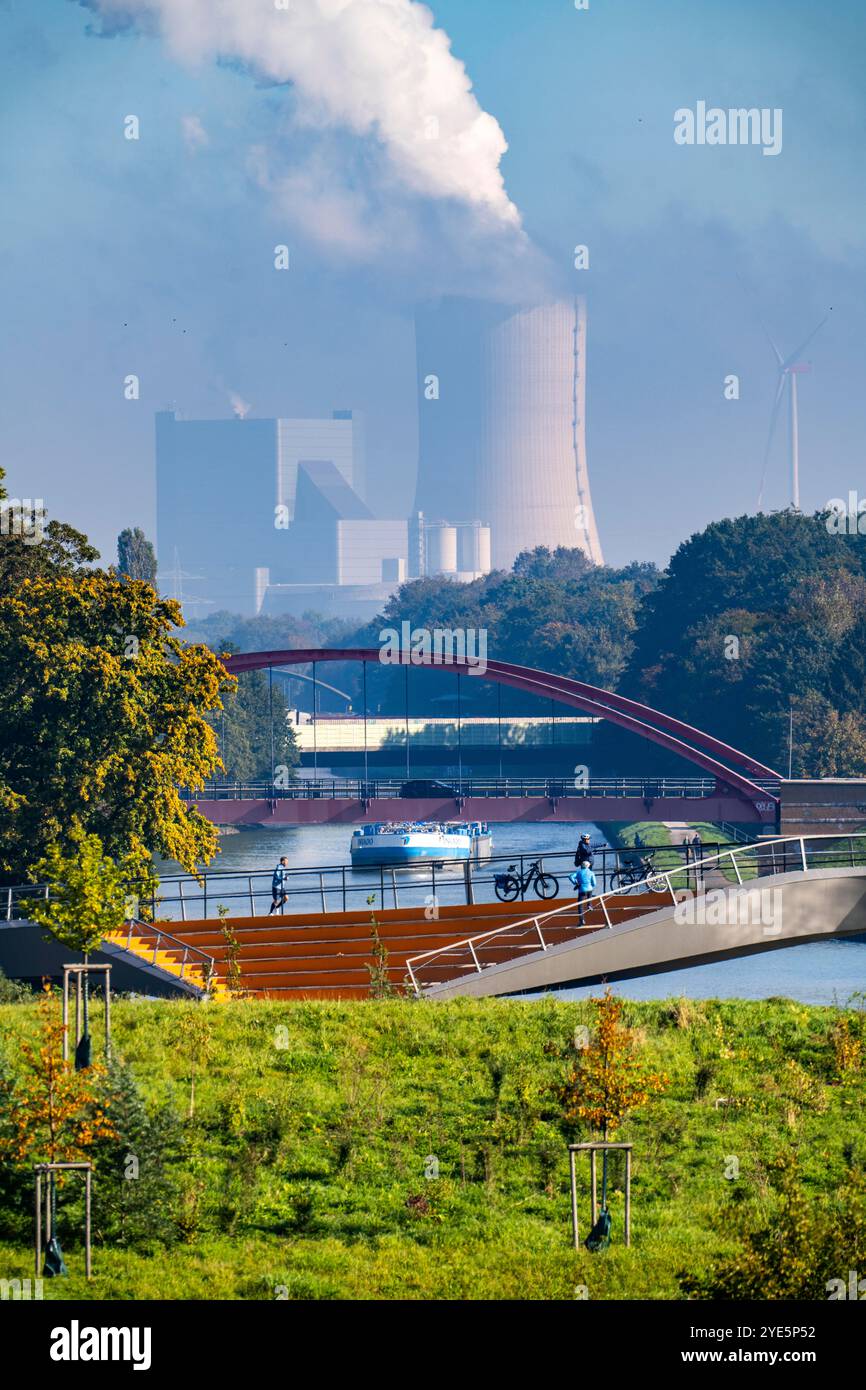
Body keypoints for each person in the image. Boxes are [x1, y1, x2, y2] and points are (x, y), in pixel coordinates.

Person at [573, 861, 597, 926]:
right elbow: (594, 883)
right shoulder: (591, 873)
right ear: (588, 866)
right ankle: (589, 905)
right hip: (590, 889)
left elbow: (570, 876)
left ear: (582, 866)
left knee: (580, 906)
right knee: (590, 895)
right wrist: (590, 885)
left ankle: (582, 920)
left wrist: (575, 882)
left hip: (582, 889)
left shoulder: (578, 872)